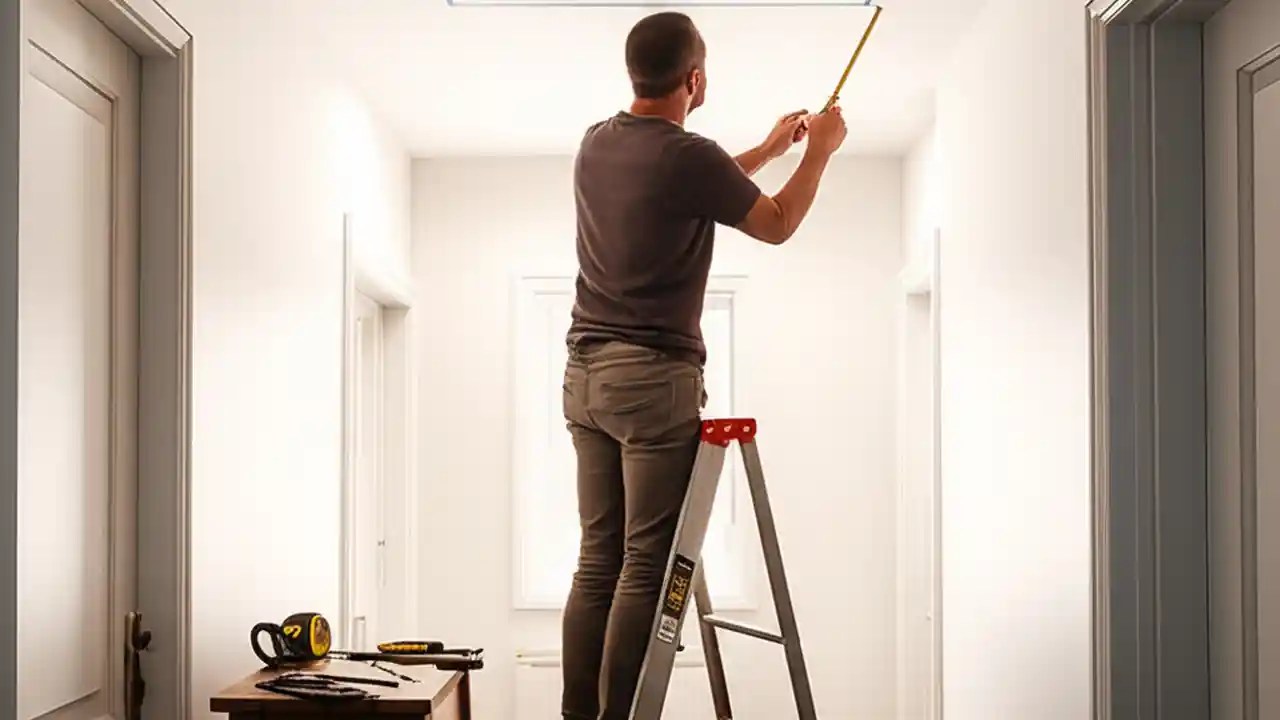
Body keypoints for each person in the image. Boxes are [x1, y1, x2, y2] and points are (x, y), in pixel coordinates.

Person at [560, 10, 847, 720]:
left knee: (598, 559)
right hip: (651, 380)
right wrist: (818, 154)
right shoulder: (690, 156)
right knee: (645, 564)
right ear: (694, 79)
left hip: (584, 377)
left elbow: (694, 187)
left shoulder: (597, 142)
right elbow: (775, 223)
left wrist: (768, 150)